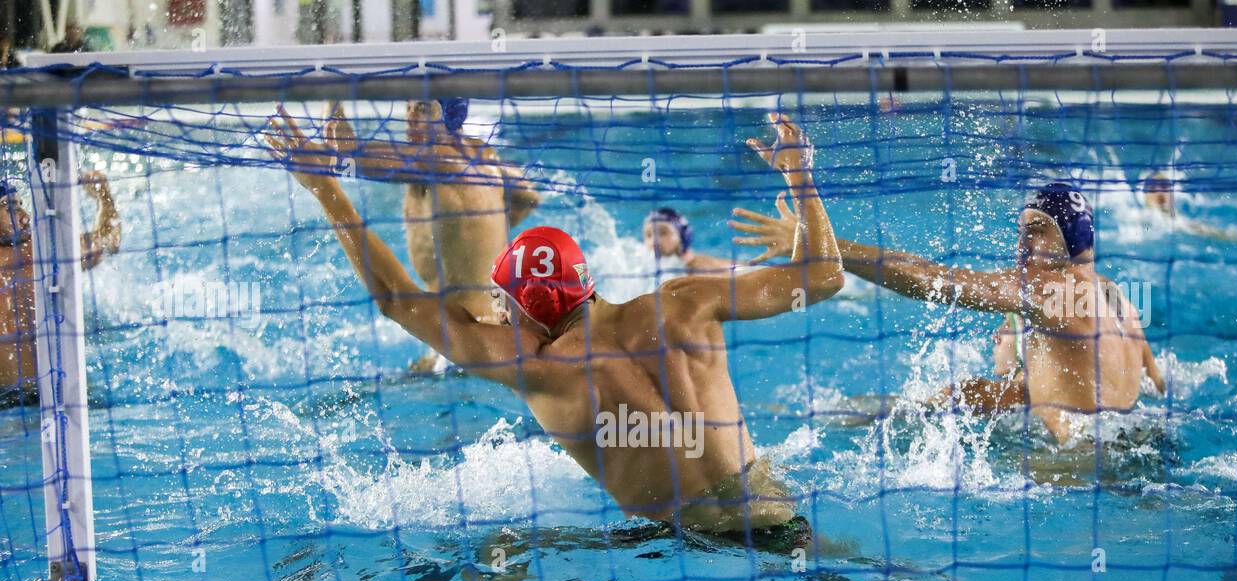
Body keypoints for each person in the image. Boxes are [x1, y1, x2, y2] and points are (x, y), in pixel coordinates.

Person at [267, 109, 843, 543]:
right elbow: (822, 277)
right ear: (585, 280)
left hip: (683, 548)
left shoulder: (541, 368)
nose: (500, 313)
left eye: (505, 303)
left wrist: (325, 188)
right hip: (783, 526)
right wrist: (799, 173)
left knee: (502, 548)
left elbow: (395, 299)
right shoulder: (684, 302)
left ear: (527, 309)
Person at [730, 182, 1166, 443]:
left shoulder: (1050, 290)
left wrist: (821, 245)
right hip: (1133, 446)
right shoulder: (1116, 298)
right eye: (1021, 232)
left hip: (1076, 478)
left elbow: (931, 278)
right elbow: (1155, 383)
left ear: (1072, 237)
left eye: (1035, 232)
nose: (1022, 247)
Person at [321, 99, 541, 370]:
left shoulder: (440, 160)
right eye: (408, 107)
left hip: (471, 347)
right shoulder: (483, 157)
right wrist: (480, 227)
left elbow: (344, 154)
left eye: (423, 109)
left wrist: (332, 94)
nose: (411, 117)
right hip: (474, 336)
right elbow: (529, 197)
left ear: (450, 116)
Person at [1, 173, 121, 406]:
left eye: (22, 207)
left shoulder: (37, 250)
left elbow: (107, 244)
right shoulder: (38, 251)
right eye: (11, 208)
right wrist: (103, 196)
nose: (25, 217)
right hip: (42, 395)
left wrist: (104, 198)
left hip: (52, 391)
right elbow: (108, 241)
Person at [1141, 170, 1237, 244]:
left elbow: (1223, 236)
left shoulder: (1184, 223)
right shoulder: (1137, 219)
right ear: (1145, 196)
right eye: (1153, 188)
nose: (1160, 193)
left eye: (1164, 187)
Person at [642, 207, 733, 274]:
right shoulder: (640, 265)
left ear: (683, 236)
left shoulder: (702, 270)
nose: (654, 241)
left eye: (663, 233)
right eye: (649, 235)